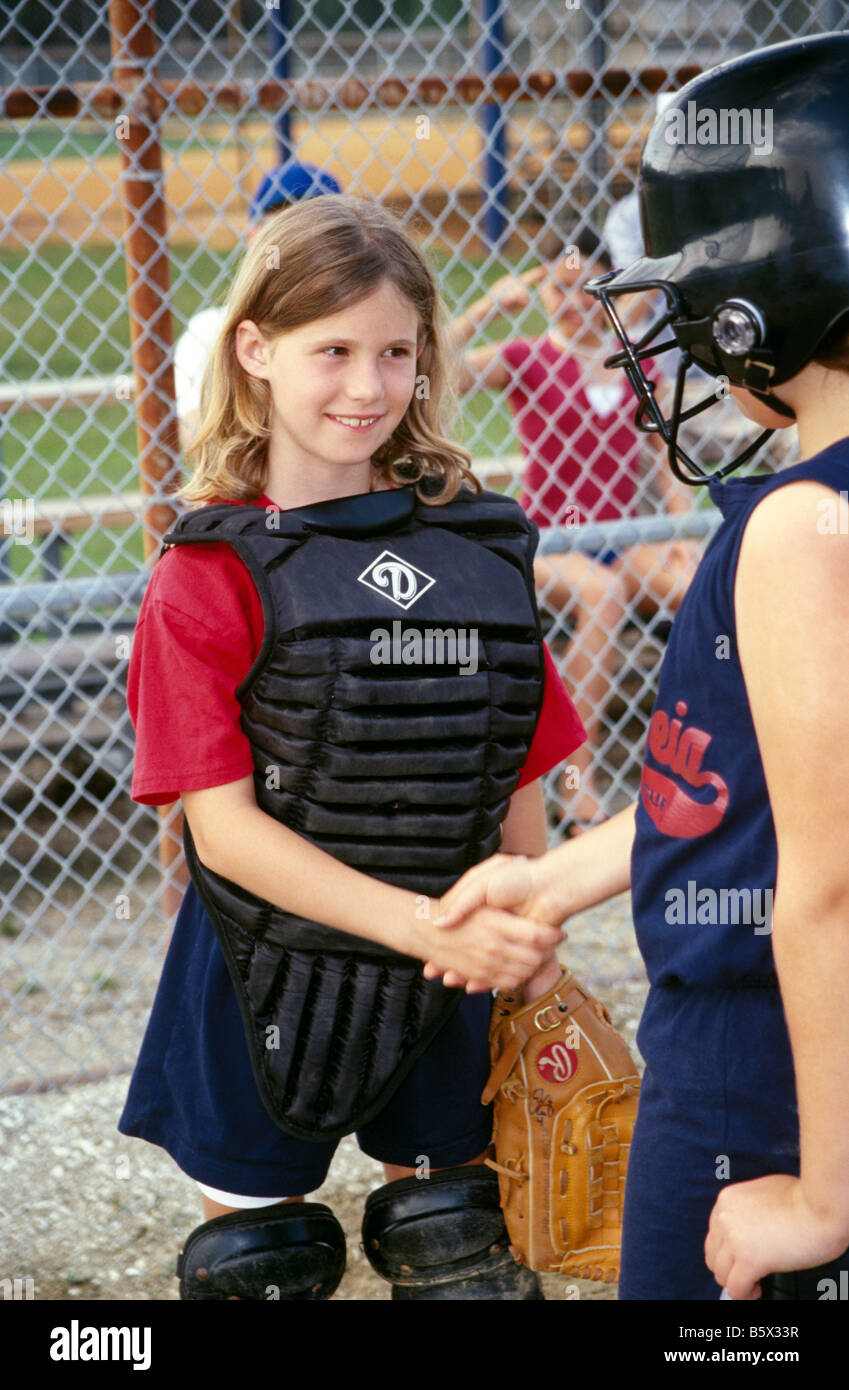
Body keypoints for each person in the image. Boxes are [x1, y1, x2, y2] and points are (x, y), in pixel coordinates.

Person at [428, 32, 849, 1301]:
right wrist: (551, 877)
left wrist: (826, 1195)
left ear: (761, 295)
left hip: (760, 1078)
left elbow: (827, 886)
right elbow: (740, 785)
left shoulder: (796, 528)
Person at [118, 193, 586, 1301]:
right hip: (264, 966)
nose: (368, 387)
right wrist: (437, 929)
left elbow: (514, 755)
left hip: (451, 962)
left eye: (395, 351)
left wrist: (524, 938)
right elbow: (221, 832)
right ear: (256, 350)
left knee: (455, 1246)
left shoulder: (478, 550)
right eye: (331, 350)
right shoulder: (208, 571)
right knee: (258, 1266)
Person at [451, 226, 698, 832]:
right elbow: (435, 372)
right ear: (540, 294)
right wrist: (487, 307)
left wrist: (682, 534)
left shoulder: (634, 363)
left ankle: (710, 756)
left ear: (607, 292)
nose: (570, 303)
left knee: (698, 590)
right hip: (549, 542)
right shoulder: (527, 356)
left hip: (623, 536)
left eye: (584, 290)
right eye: (557, 290)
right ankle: (576, 780)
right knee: (601, 594)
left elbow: (667, 465)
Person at [174, 160, 343, 449]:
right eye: (283, 228)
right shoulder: (211, 330)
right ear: (254, 238)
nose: (301, 244)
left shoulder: (367, 322)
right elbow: (197, 436)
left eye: (319, 229)